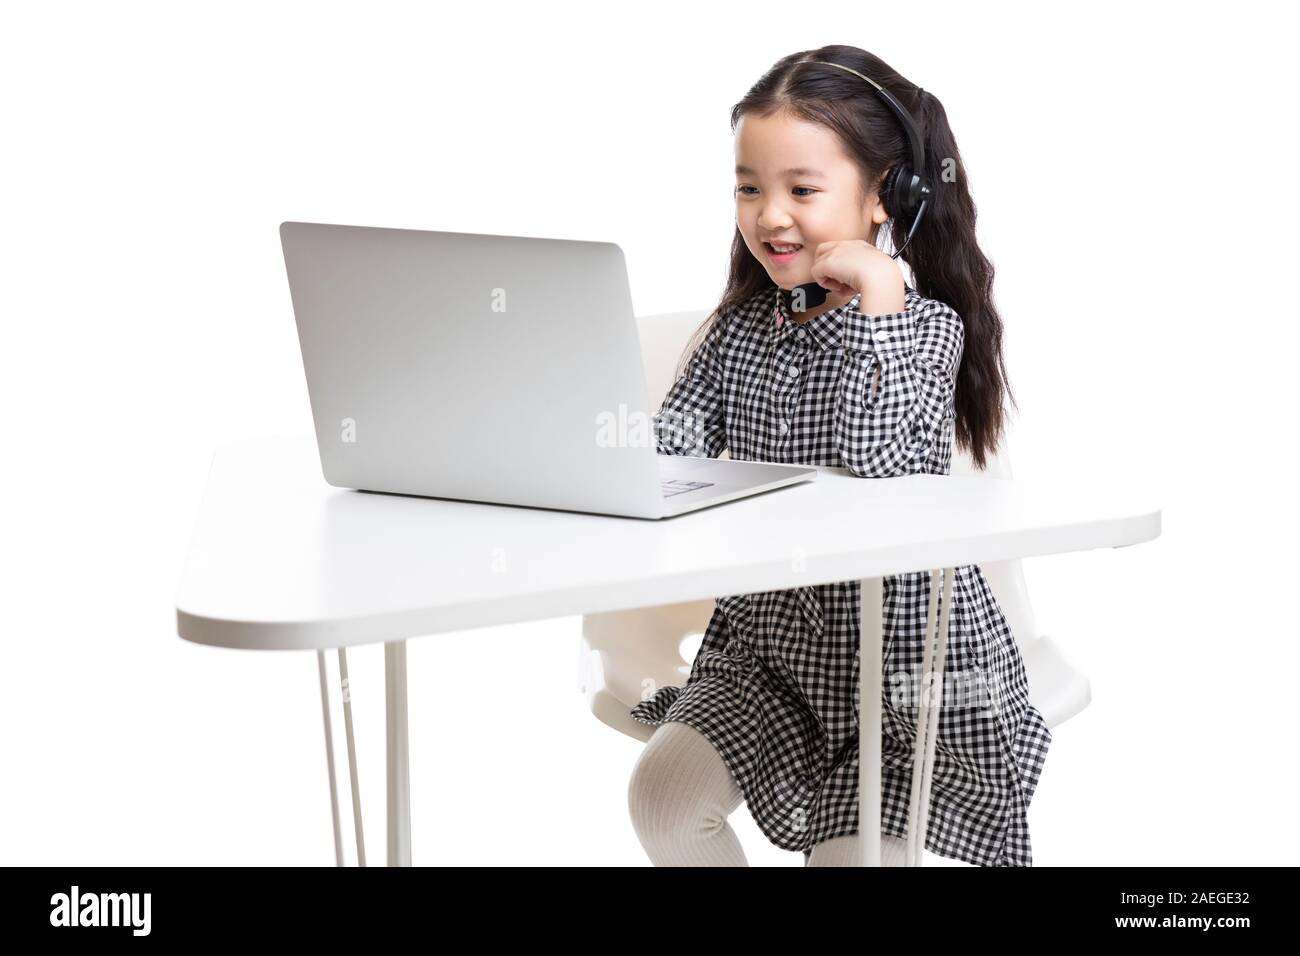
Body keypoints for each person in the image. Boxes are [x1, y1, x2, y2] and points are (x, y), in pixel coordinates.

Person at [626, 45, 1052, 867]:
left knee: (851, 858)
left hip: (903, 675)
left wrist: (881, 298)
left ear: (885, 198)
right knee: (666, 804)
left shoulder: (923, 331)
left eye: (802, 190)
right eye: (750, 187)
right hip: (768, 657)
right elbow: (671, 447)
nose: (769, 215)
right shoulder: (741, 331)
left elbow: (880, 476)